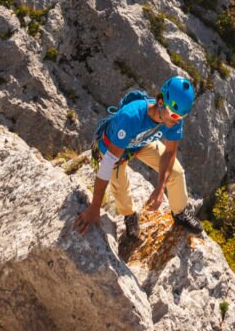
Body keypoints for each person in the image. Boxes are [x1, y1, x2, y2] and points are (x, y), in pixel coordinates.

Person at [72, 76, 204, 239]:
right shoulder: (132, 116)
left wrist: (160, 187)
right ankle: (129, 215)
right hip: (112, 146)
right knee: (119, 185)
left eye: (181, 117)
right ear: (161, 102)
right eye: (174, 116)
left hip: (140, 143)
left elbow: (169, 153)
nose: (177, 121)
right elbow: (108, 162)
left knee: (176, 173)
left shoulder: (173, 118)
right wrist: (94, 207)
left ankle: (180, 212)